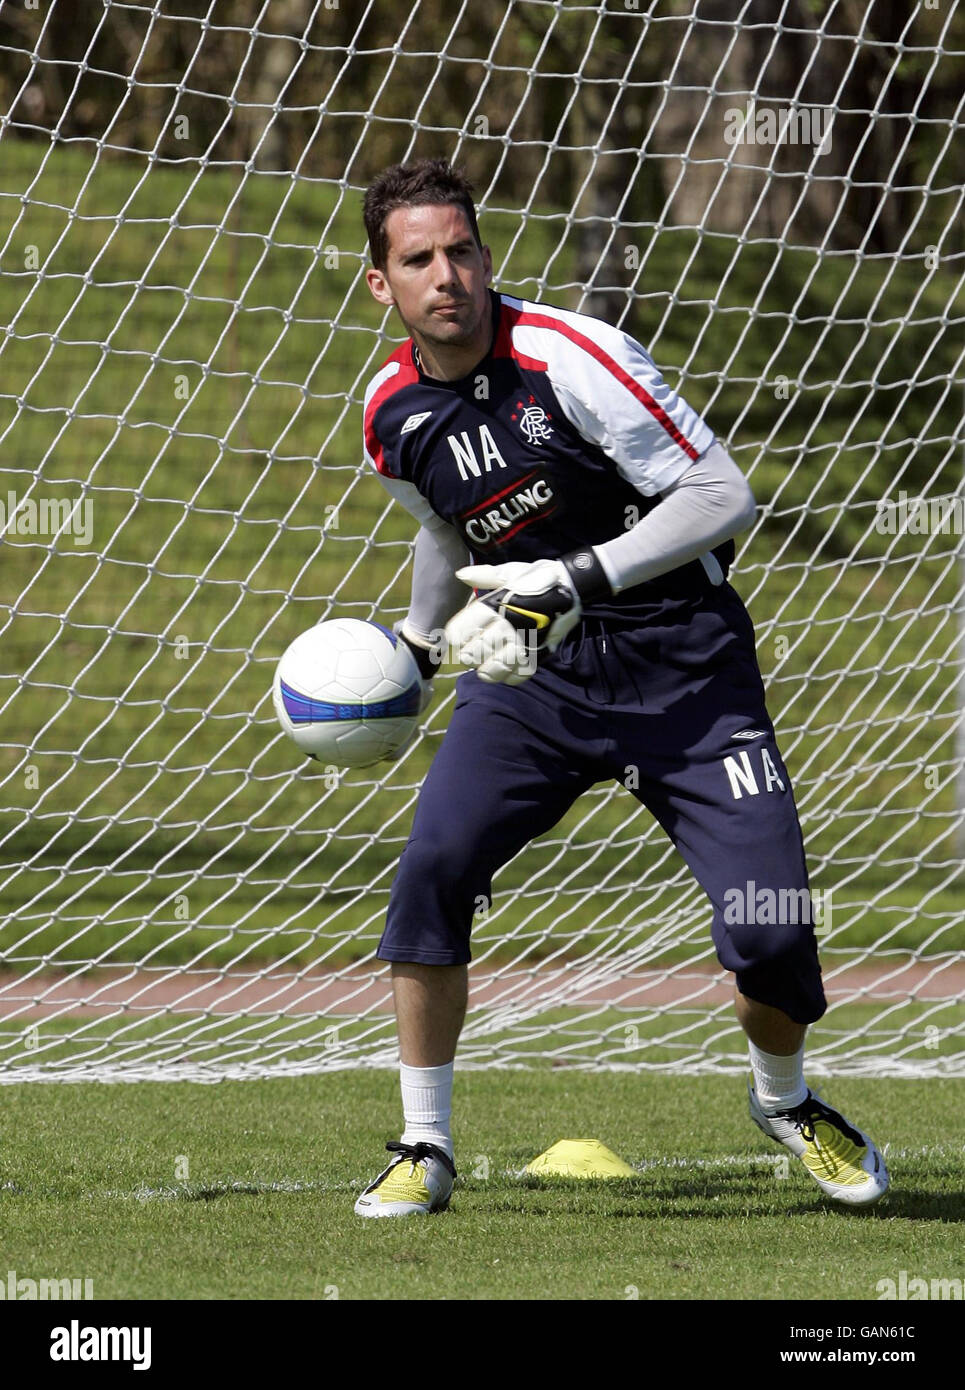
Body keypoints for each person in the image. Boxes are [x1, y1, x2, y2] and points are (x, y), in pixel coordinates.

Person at [353, 157, 888, 1217]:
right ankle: (423, 1143)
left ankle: (782, 1100)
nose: (446, 274)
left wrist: (575, 576)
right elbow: (441, 525)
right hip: (532, 683)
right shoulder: (388, 413)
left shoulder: (572, 357)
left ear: (484, 253)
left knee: (771, 926)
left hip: (684, 666)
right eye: (418, 258)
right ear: (383, 283)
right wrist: (417, 645)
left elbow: (720, 493)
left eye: (462, 248)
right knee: (431, 871)